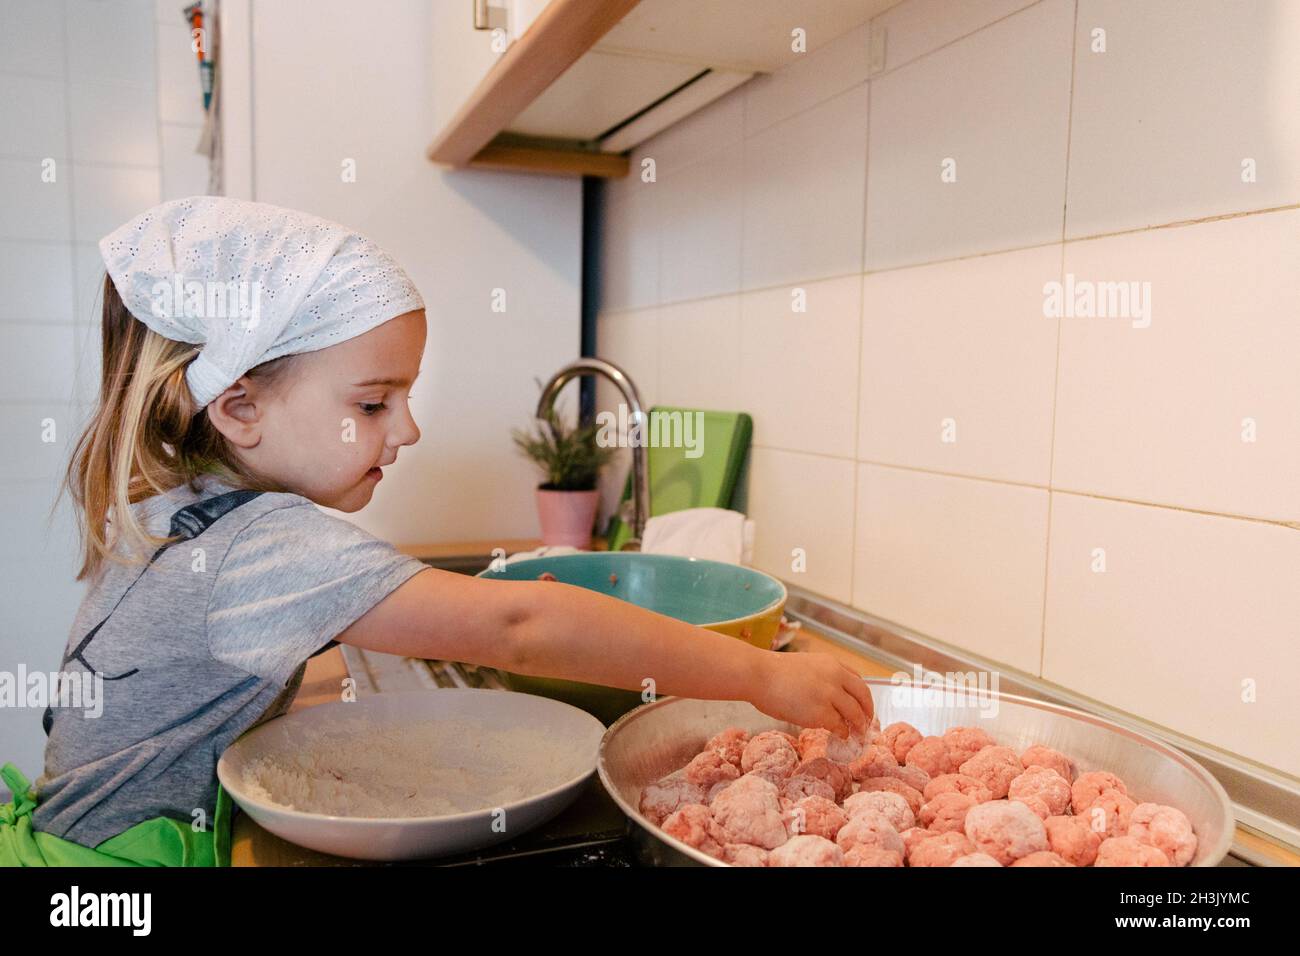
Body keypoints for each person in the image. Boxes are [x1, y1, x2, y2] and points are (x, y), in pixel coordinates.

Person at [0, 196, 873, 866]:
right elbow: (520, 625)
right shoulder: (269, 544)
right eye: (373, 402)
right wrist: (762, 674)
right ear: (240, 407)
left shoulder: (182, 498)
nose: (407, 430)